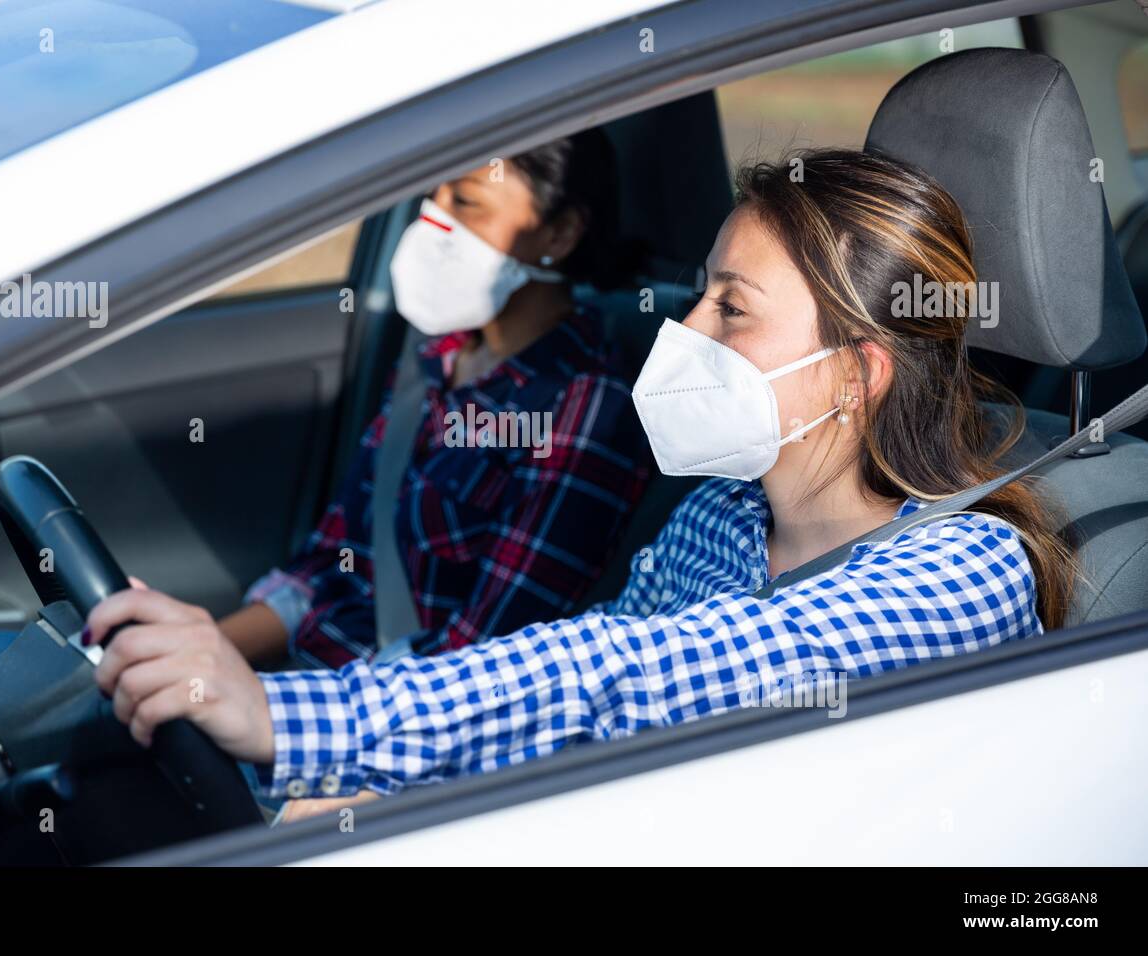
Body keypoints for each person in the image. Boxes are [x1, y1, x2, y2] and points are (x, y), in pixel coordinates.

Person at [82, 148, 1079, 813]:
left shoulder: (962, 569)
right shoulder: (720, 516)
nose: (682, 334)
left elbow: (629, 675)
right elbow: (580, 724)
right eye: (697, 296)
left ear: (858, 374)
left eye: (732, 310)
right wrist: (380, 792)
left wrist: (287, 717)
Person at [218, 129, 651, 669]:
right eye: (432, 196)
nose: (434, 220)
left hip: (389, 720)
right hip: (313, 680)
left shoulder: (581, 412)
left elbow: (477, 665)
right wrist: (207, 651)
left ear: (559, 233)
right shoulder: (436, 359)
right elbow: (333, 563)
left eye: (466, 202)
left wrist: (271, 716)